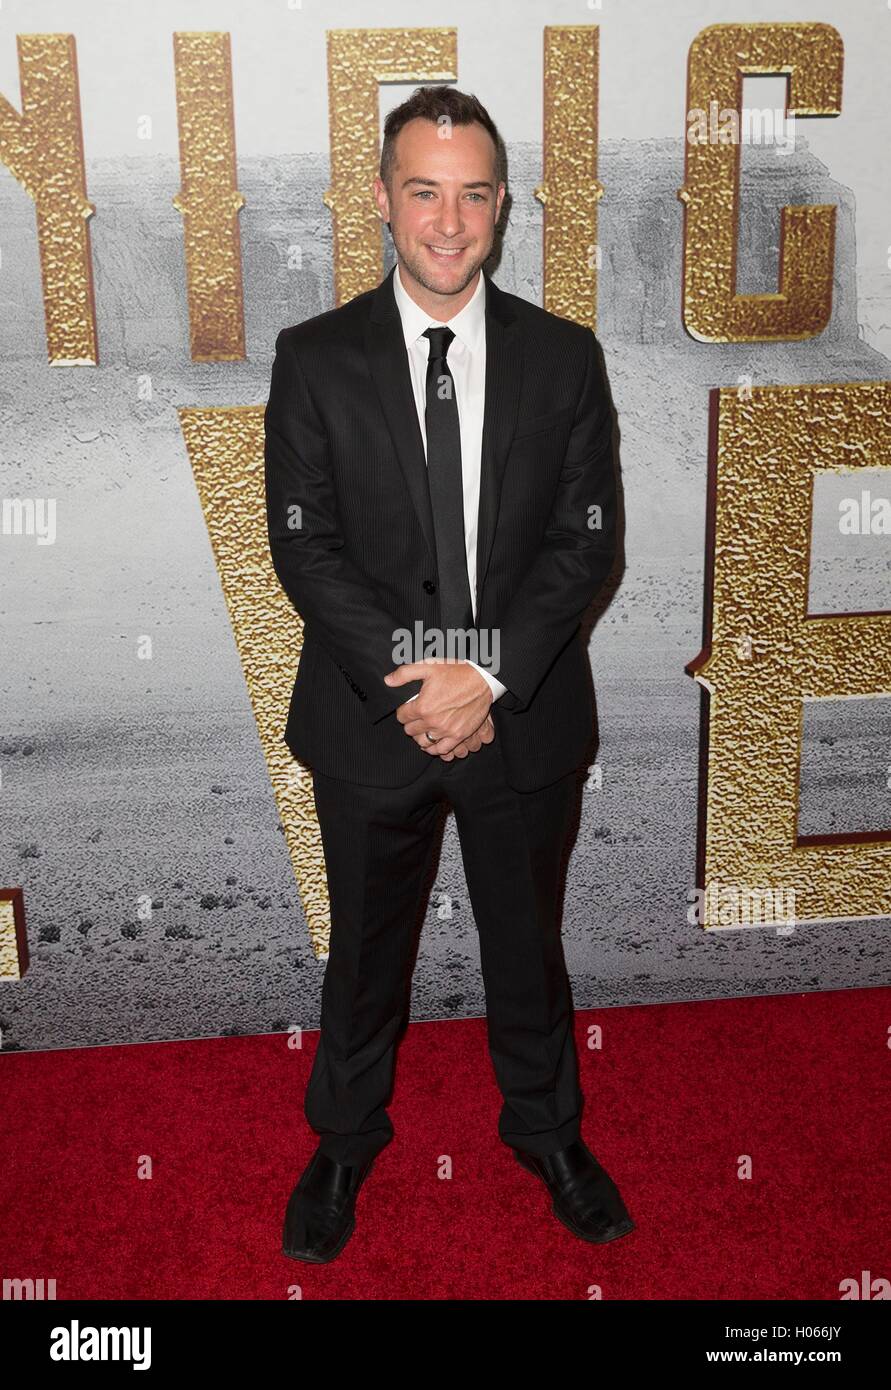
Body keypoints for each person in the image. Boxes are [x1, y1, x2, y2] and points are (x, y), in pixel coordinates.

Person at [264, 84, 632, 1264]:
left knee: (530, 944)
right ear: (382, 199)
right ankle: (343, 1138)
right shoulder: (312, 358)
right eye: (423, 190)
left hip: (519, 717)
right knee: (367, 952)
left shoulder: (565, 357)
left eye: (472, 192)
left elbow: (587, 539)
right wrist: (426, 682)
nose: (447, 219)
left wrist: (484, 679)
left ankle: (547, 1129)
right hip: (378, 722)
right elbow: (303, 542)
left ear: (504, 204)